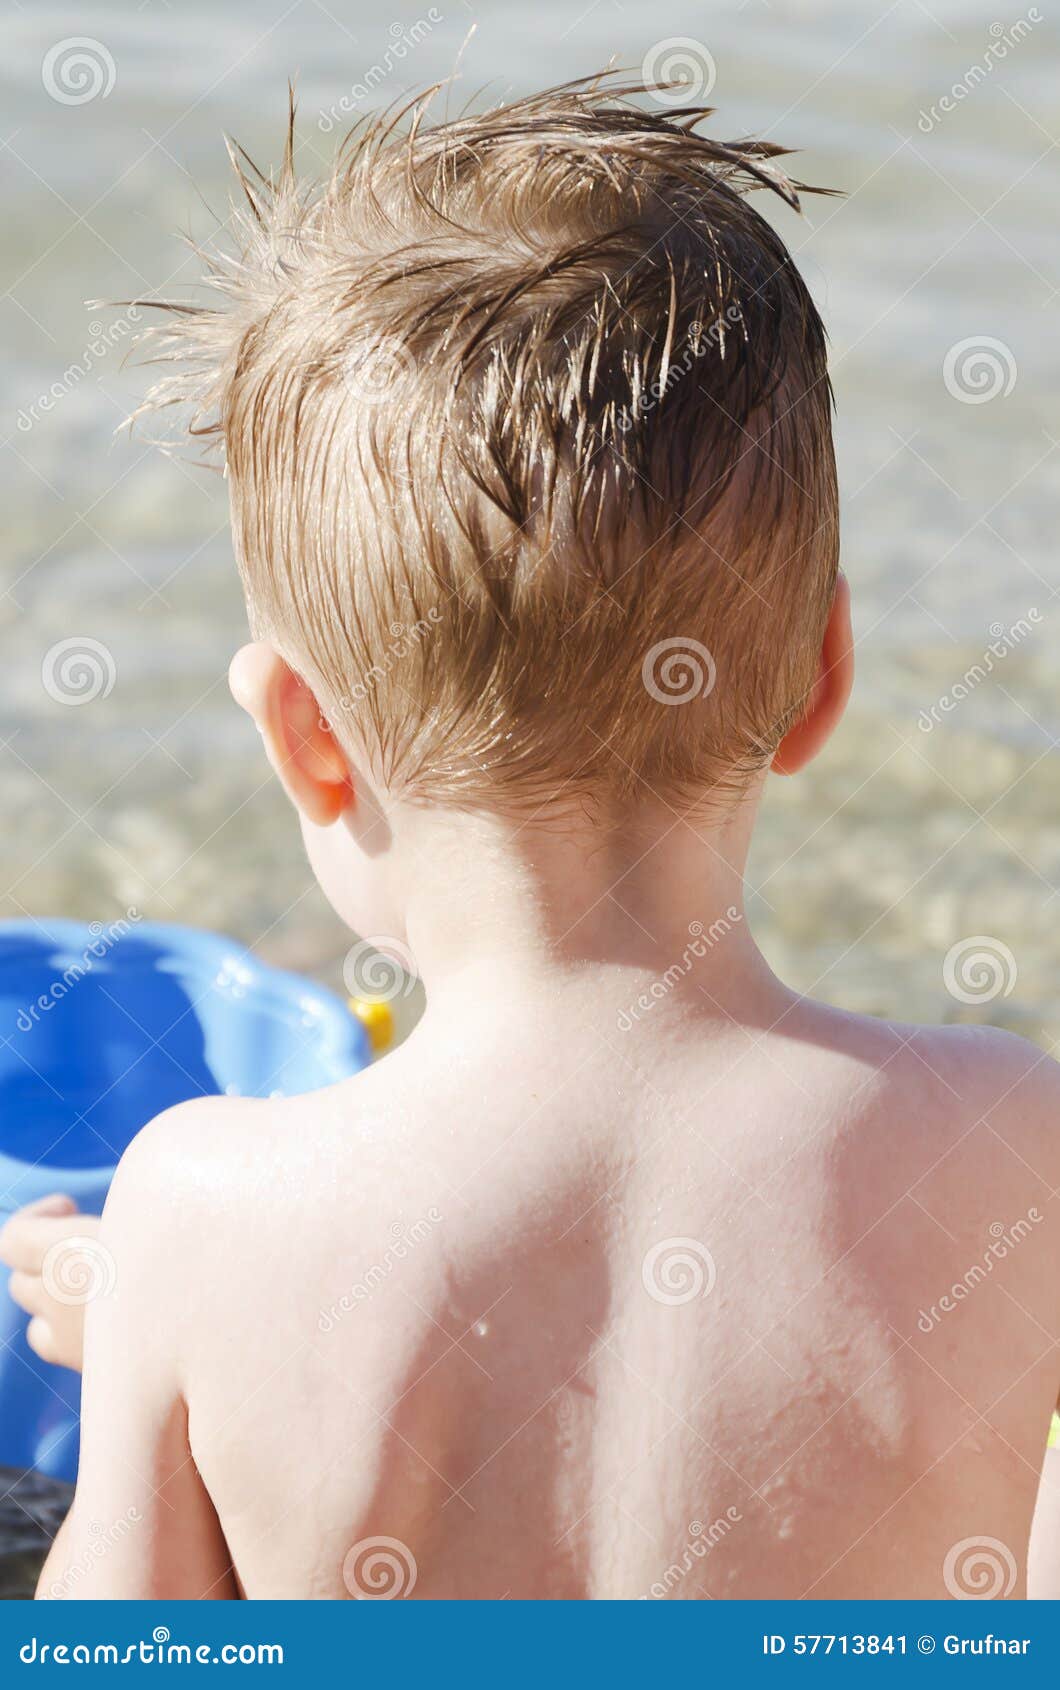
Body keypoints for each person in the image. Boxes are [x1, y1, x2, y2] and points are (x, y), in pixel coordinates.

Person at [3, 74, 1058, 1600]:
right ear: (823, 678)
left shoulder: (203, 1210)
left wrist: (165, 1365)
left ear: (305, 738)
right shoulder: (1005, 1145)